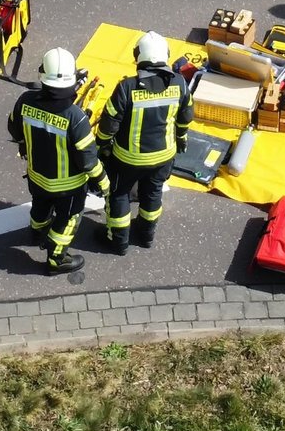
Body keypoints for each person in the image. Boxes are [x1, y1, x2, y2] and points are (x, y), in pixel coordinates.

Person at [11, 49, 106, 275]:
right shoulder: (76, 117)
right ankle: (56, 259)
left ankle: (37, 231)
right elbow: (88, 160)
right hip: (68, 188)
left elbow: (14, 129)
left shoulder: (25, 101)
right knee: (68, 220)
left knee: (40, 206)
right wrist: (103, 183)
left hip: (36, 176)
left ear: (42, 74)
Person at [96, 31, 192, 255]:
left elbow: (109, 123)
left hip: (127, 159)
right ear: (165, 56)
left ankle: (118, 242)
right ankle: (146, 235)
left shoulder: (127, 87)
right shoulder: (179, 83)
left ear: (138, 57)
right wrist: (180, 139)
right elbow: (185, 117)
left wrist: (102, 146)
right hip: (163, 157)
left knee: (119, 194)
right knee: (153, 192)